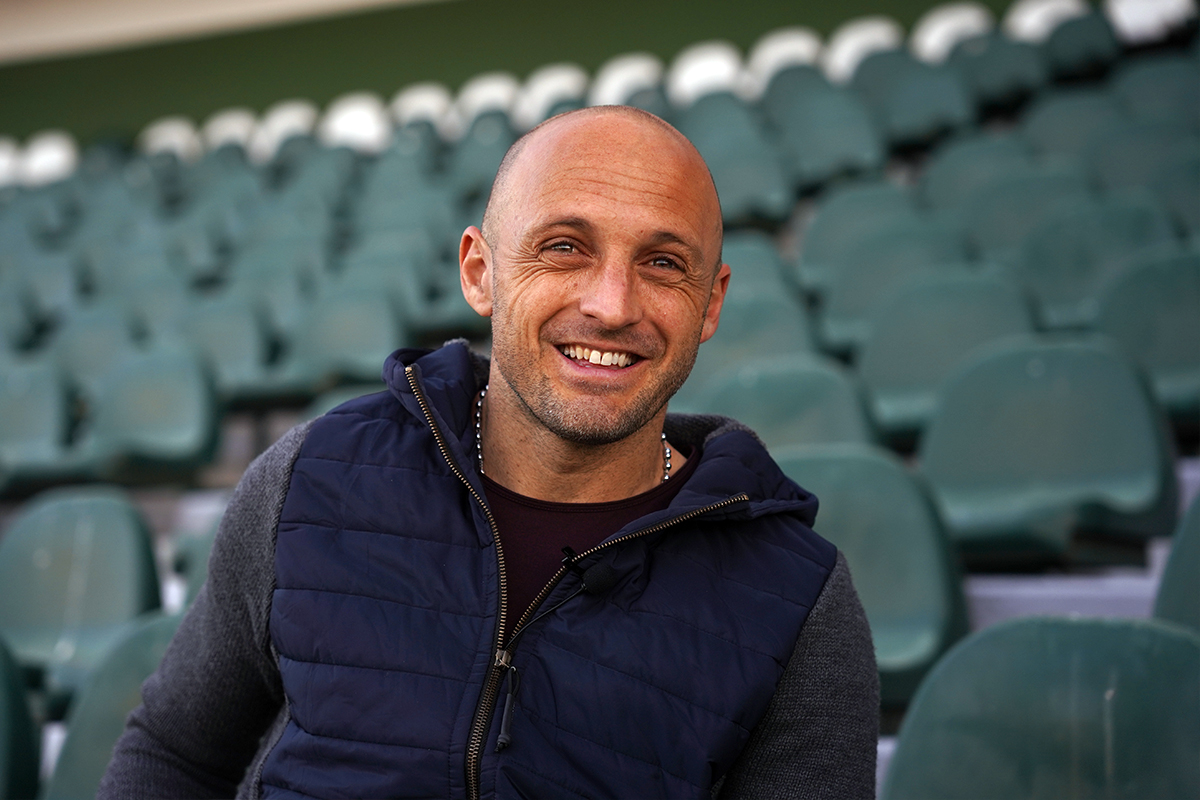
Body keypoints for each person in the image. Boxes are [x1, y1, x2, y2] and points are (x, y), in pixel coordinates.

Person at [100, 106, 878, 799]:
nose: (611, 305)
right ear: (480, 272)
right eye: (565, 247)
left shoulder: (797, 597)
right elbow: (175, 753)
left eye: (663, 263)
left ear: (710, 304)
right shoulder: (312, 477)